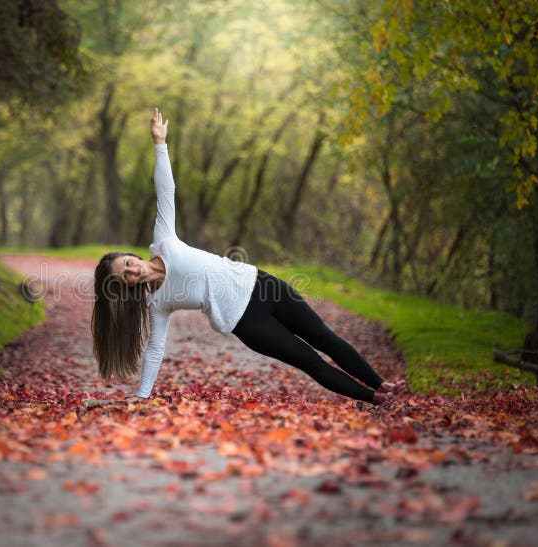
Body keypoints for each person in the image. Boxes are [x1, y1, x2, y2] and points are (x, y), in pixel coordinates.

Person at [91, 108, 406, 404]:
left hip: (264, 285)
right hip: (247, 323)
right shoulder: (157, 302)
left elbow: (166, 191)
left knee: (327, 339)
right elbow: (155, 348)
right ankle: (375, 399)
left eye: (128, 264)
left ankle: (380, 384)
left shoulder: (165, 241)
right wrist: (142, 398)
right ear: (127, 286)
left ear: (133, 256)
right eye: (125, 276)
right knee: (311, 362)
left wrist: (160, 143)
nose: (132, 272)